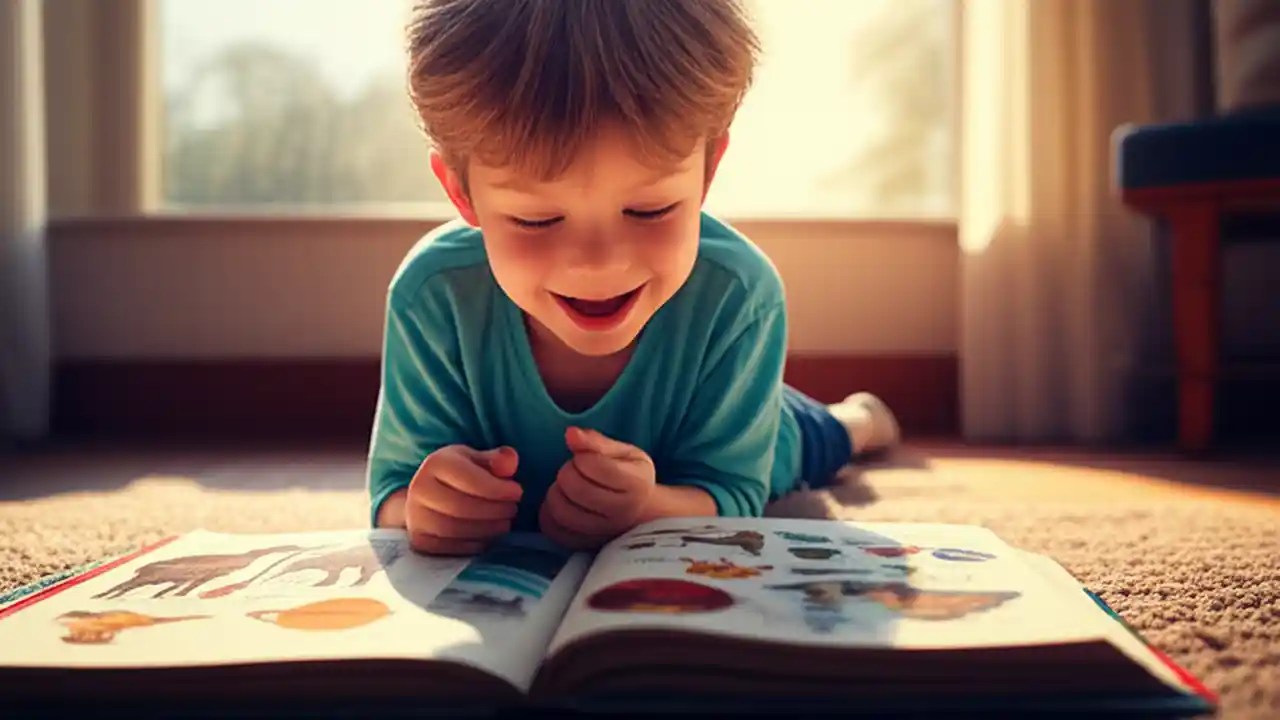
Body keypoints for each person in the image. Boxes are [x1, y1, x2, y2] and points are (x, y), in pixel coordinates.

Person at [368, 0, 900, 555]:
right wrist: (423, 506)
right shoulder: (432, 295)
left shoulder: (739, 295)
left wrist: (648, 510)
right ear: (461, 193)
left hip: (727, 428)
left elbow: (734, 490)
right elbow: (392, 493)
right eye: (537, 219)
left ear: (707, 171)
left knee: (808, 442)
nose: (599, 264)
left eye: (649, 211)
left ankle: (855, 421)